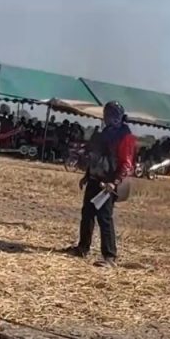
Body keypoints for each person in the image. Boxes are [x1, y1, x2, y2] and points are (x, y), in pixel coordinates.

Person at [63, 101, 136, 266]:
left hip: (108, 183)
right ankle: (82, 248)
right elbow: (96, 156)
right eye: (106, 113)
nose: (106, 117)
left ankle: (110, 256)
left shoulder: (125, 136)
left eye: (110, 114)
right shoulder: (106, 133)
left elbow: (126, 164)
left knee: (105, 218)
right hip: (95, 179)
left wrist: (115, 182)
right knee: (87, 214)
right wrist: (87, 176)